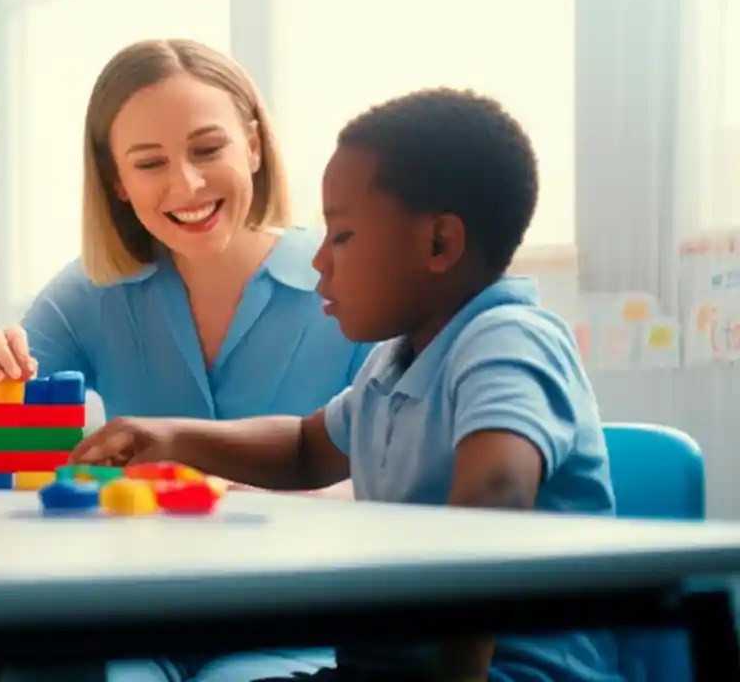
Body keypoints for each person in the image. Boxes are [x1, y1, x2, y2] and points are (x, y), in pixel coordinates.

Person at [71, 87, 623, 682]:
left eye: (342, 236)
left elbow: (496, 488)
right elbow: (308, 447)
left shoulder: (506, 338)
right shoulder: (395, 363)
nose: (319, 262)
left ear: (439, 243)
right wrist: (172, 436)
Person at [0, 38, 371, 681]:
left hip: (299, 620)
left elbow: (405, 477)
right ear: (117, 184)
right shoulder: (91, 291)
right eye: (149, 163)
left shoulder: (355, 279)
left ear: (255, 147)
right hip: (132, 618)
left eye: (209, 150)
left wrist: (273, 498)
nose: (187, 184)